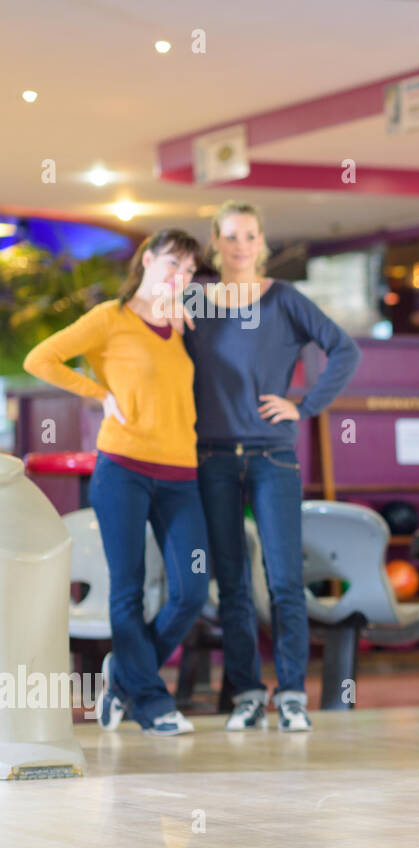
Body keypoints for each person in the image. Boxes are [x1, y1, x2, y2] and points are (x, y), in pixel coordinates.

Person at [180, 201, 361, 732]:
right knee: (232, 584)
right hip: (211, 457)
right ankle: (247, 694)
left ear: (262, 243)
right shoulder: (193, 299)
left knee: (283, 580)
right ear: (216, 242)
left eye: (250, 236)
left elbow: (344, 350)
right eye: (231, 236)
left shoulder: (283, 299)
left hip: (273, 457)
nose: (241, 245)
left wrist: (304, 405)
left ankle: (292, 694)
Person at [24, 229, 209, 735]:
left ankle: (124, 678)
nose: (180, 276)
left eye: (189, 270)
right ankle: (151, 704)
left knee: (191, 591)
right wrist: (99, 393)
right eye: (172, 264)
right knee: (128, 589)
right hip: (123, 470)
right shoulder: (110, 317)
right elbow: (39, 358)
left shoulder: (183, 323)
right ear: (147, 259)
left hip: (181, 476)